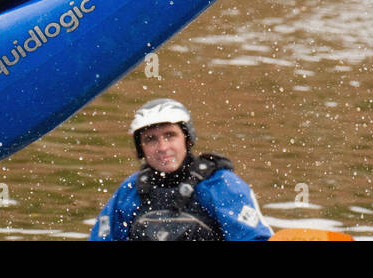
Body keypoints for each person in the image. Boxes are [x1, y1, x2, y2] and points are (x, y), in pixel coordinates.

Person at [90, 98, 273, 241]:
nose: (162, 148)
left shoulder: (220, 185)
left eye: (170, 136)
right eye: (151, 139)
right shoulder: (129, 191)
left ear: (187, 139)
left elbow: (254, 237)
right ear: (141, 149)